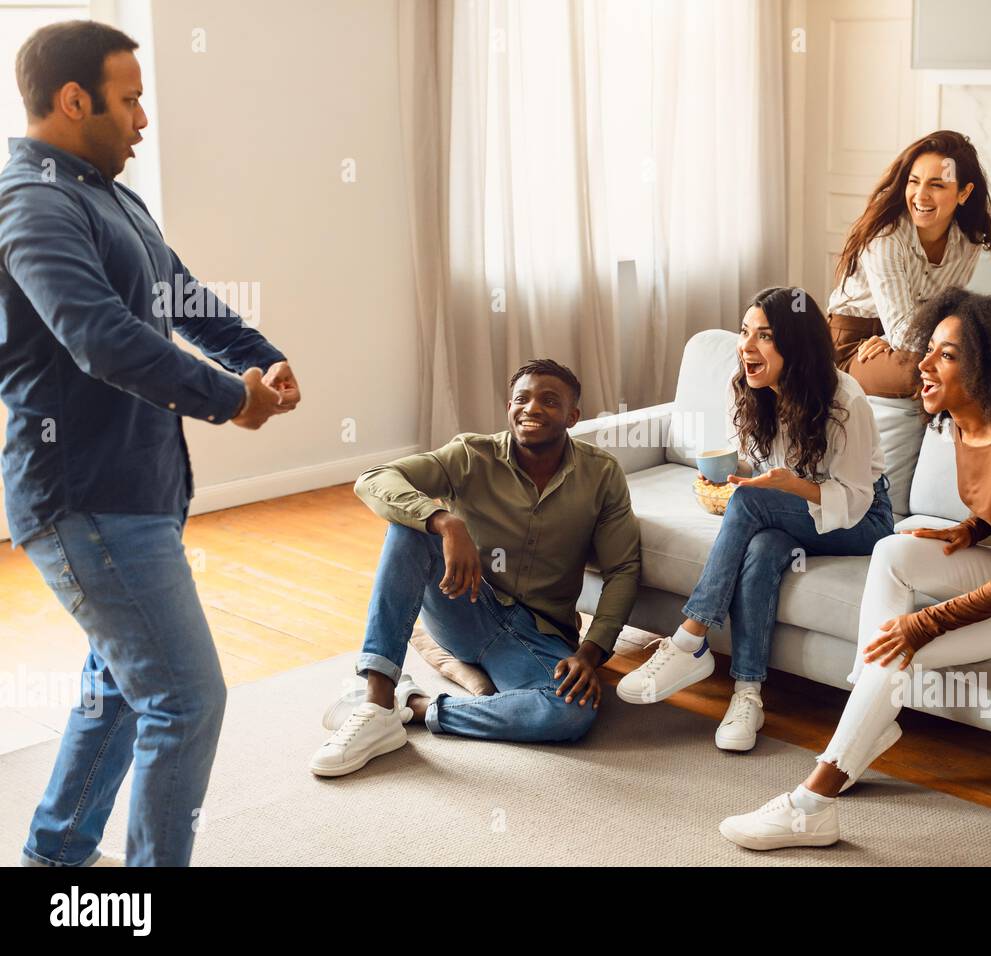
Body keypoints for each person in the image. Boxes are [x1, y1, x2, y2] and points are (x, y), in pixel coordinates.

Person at [1, 21, 300, 867]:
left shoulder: (108, 192)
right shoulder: (29, 202)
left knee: (123, 684)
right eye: (128, 100)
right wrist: (228, 400)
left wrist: (258, 355)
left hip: (138, 492)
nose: (141, 119)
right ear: (72, 100)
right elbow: (98, 336)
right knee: (186, 697)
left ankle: (56, 857)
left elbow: (178, 292)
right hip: (83, 499)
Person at [719, 288, 991, 850]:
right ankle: (872, 720)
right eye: (928, 350)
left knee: (898, 648)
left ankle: (814, 803)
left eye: (945, 356)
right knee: (893, 550)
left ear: (989, 368)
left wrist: (923, 624)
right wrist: (971, 529)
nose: (921, 365)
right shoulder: (960, 423)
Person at [310, 359, 640, 776]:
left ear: (573, 416)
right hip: (464, 608)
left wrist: (591, 654)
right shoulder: (470, 455)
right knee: (410, 530)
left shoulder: (601, 474)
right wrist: (444, 521)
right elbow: (374, 478)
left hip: (537, 636)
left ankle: (417, 707)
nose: (531, 408)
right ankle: (377, 701)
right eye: (522, 398)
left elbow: (623, 569)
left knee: (571, 711)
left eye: (549, 401)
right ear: (509, 407)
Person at [616, 287, 895, 752]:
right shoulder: (746, 387)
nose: (746, 346)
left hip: (864, 518)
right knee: (763, 546)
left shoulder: (845, 401)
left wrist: (784, 487)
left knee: (750, 506)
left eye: (764, 336)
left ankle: (690, 638)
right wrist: (734, 476)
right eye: (745, 332)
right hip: (796, 506)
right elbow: (758, 464)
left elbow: (855, 497)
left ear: (795, 345)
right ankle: (747, 693)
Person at [827, 130, 991, 399]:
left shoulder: (969, 240)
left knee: (975, 362)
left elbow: (944, 310)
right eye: (914, 181)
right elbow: (901, 332)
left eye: (937, 185)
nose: (920, 195)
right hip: (852, 344)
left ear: (963, 193)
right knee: (932, 372)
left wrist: (887, 339)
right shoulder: (887, 237)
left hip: (899, 339)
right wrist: (895, 338)